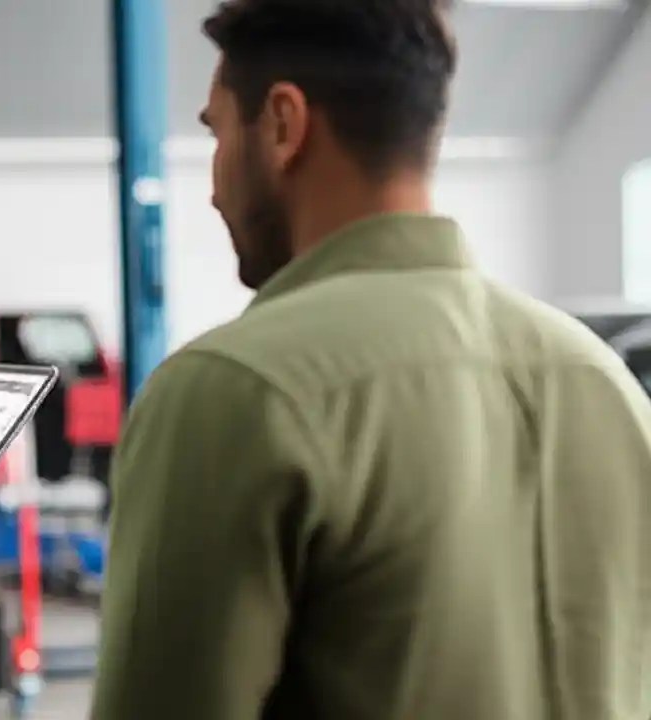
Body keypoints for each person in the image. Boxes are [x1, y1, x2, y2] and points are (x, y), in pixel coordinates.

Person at [90, 1, 651, 719]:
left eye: (219, 133)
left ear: (284, 125)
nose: (213, 186)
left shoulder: (234, 389)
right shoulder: (601, 381)